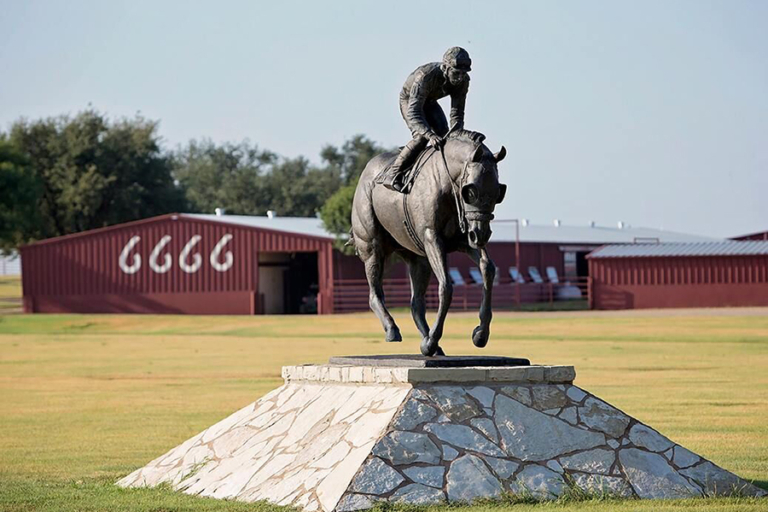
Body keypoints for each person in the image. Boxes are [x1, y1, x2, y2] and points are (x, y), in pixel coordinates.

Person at [377, 47, 473, 192]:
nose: (460, 77)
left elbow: (457, 115)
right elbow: (414, 114)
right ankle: (392, 173)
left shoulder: (464, 81)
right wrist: (429, 134)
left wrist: (458, 133)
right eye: (456, 73)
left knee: (446, 135)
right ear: (445, 68)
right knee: (421, 138)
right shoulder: (425, 76)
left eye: (463, 73)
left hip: (430, 101)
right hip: (410, 100)